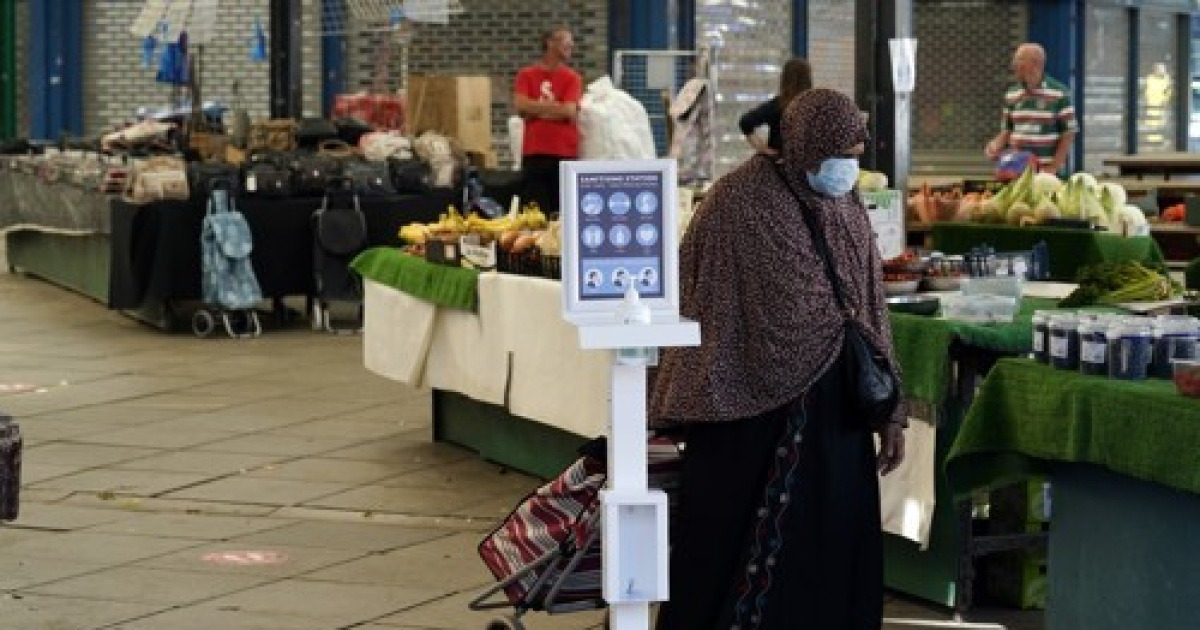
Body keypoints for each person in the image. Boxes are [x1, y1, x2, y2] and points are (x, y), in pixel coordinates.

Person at [650, 88, 907, 629]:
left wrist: (891, 409)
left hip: (835, 419)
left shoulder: (846, 204)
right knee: (734, 547)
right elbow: (696, 287)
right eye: (840, 154)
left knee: (825, 550)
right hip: (747, 412)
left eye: (856, 154)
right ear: (805, 144)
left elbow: (868, 303)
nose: (849, 166)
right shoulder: (738, 200)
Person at [513, 26, 582, 216]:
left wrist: (535, 111)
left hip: (564, 154)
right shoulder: (526, 75)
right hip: (534, 153)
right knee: (534, 213)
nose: (571, 45)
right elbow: (520, 106)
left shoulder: (572, 78)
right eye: (566, 40)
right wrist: (556, 109)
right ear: (550, 43)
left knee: (563, 212)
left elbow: (569, 111)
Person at [984, 43, 1077, 175]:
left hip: (1046, 173)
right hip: (1017, 171)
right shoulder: (1012, 94)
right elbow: (1007, 131)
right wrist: (994, 145)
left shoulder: (1059, 94)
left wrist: (1053, 167)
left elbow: (1068, 134)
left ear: (1036, 63)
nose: (1014, 65)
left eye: (1019, 59)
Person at [737, 58, 813, 156]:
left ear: (784, 79)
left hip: (779, 161)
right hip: (808, 162)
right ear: (808, 80)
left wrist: (763, 149)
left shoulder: (777, 105)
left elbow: (745, 122)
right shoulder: (814, 106)